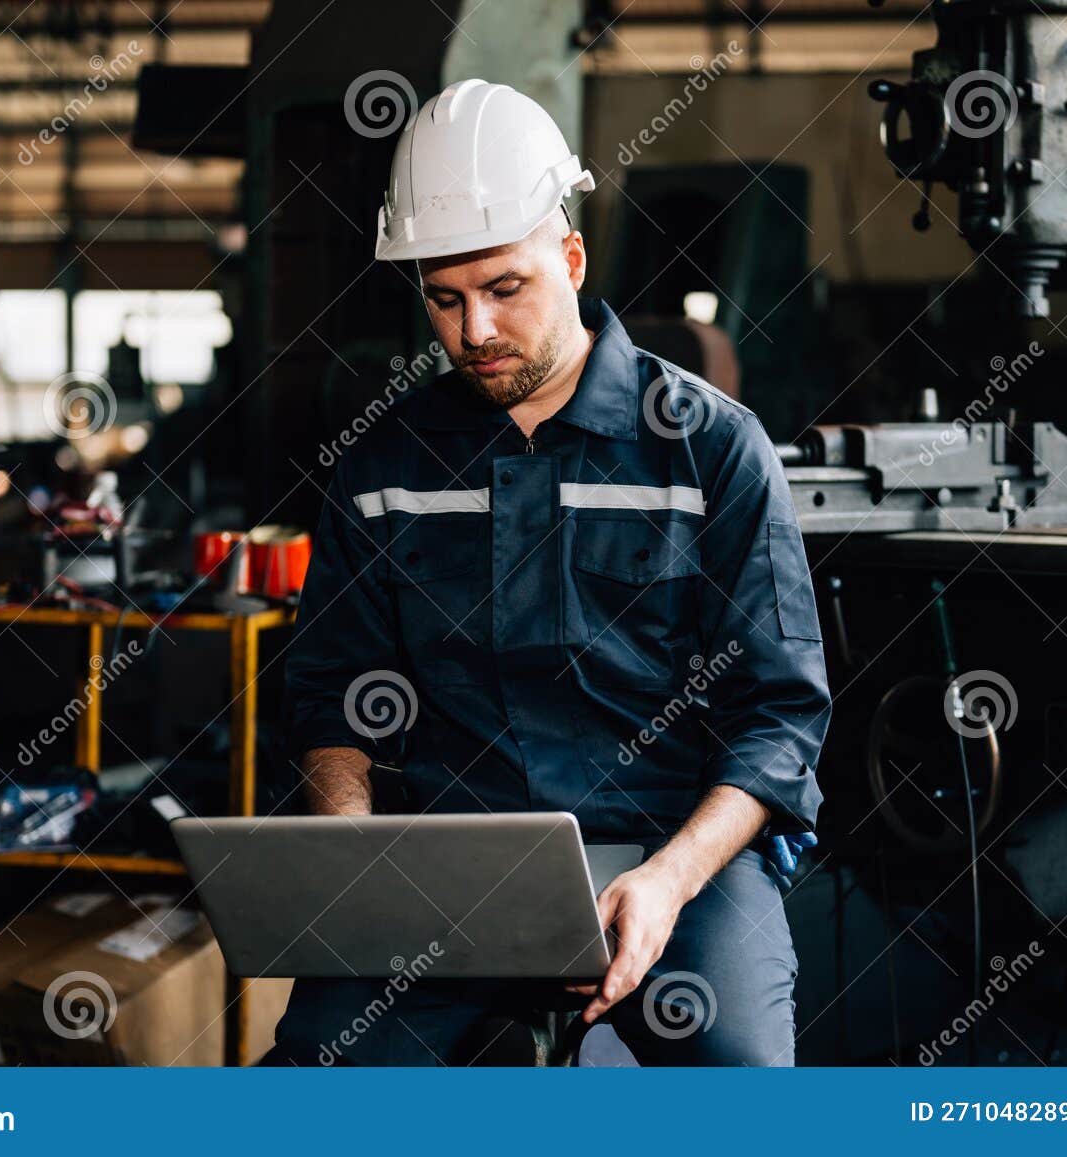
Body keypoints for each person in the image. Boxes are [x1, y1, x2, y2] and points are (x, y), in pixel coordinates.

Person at [272, 78, 830, 1066]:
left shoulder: (707, 447)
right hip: (450, 861)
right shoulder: (383, 465)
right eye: (444, 300)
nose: (474, 332)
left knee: (739, 1081)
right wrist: (351, 853)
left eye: (505, 289)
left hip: (674, 853)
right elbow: (330, 697)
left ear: (569, 258)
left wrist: (665, 880)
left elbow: (778, 719)